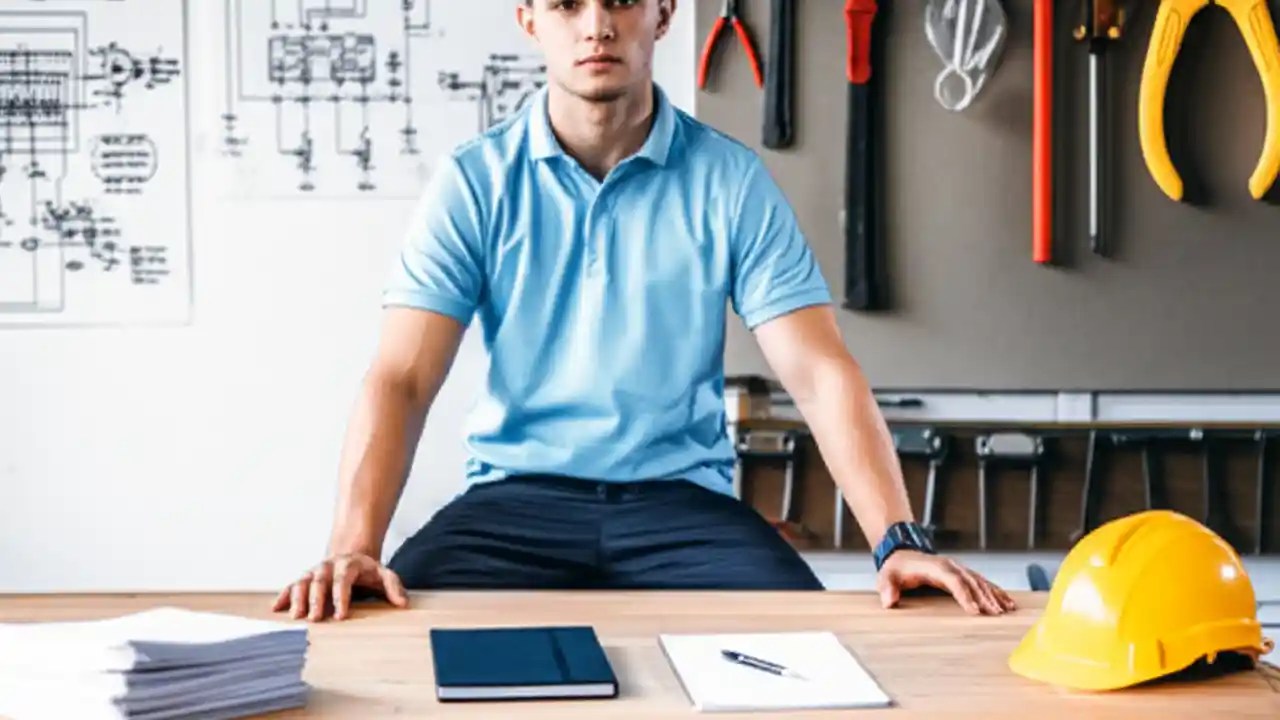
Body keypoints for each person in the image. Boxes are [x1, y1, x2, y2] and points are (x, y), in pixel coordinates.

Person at [273, 0, 1016, 622]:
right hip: (513, 507)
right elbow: (401, 378)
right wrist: (352, 546)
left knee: (809, 650)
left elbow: (820, 373)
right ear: (529, 18)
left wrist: (898, 540)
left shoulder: (730, 180)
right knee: (382, 629)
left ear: (663, 13)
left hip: (682, 508)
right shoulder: (474, 182)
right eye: (567, 3)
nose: (596, 25)